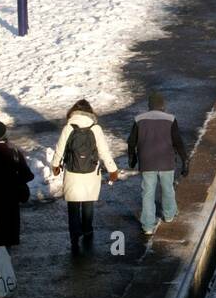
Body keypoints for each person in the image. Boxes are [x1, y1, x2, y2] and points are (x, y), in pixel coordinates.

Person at [53, 100, 118, 255]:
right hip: (91, 172)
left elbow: (60, 148)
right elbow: (104, 151)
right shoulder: (95, 128)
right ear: (90, 112)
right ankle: (87, 230)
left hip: (72, 171)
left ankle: (74, 236)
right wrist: (112, 169)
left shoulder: (68, 127)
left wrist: (55, 165)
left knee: (73, 206)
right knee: (88, 203)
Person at [127, 91, 188, 237]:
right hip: (166, 160)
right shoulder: (170, 119)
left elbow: (131, 142)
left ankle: (148, 225)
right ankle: (169, 215)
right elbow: (178, 142)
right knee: (168, 188)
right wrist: (185, 160)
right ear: (162, 106)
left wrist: (132, 158)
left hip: (147, 161)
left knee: (147, 193)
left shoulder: (139, 119)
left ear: (149, 106)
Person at [0, 120, 34, 252]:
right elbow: (28, 175)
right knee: (6, 247)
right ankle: (4, 270)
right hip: (10, 205)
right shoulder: (14, 153)